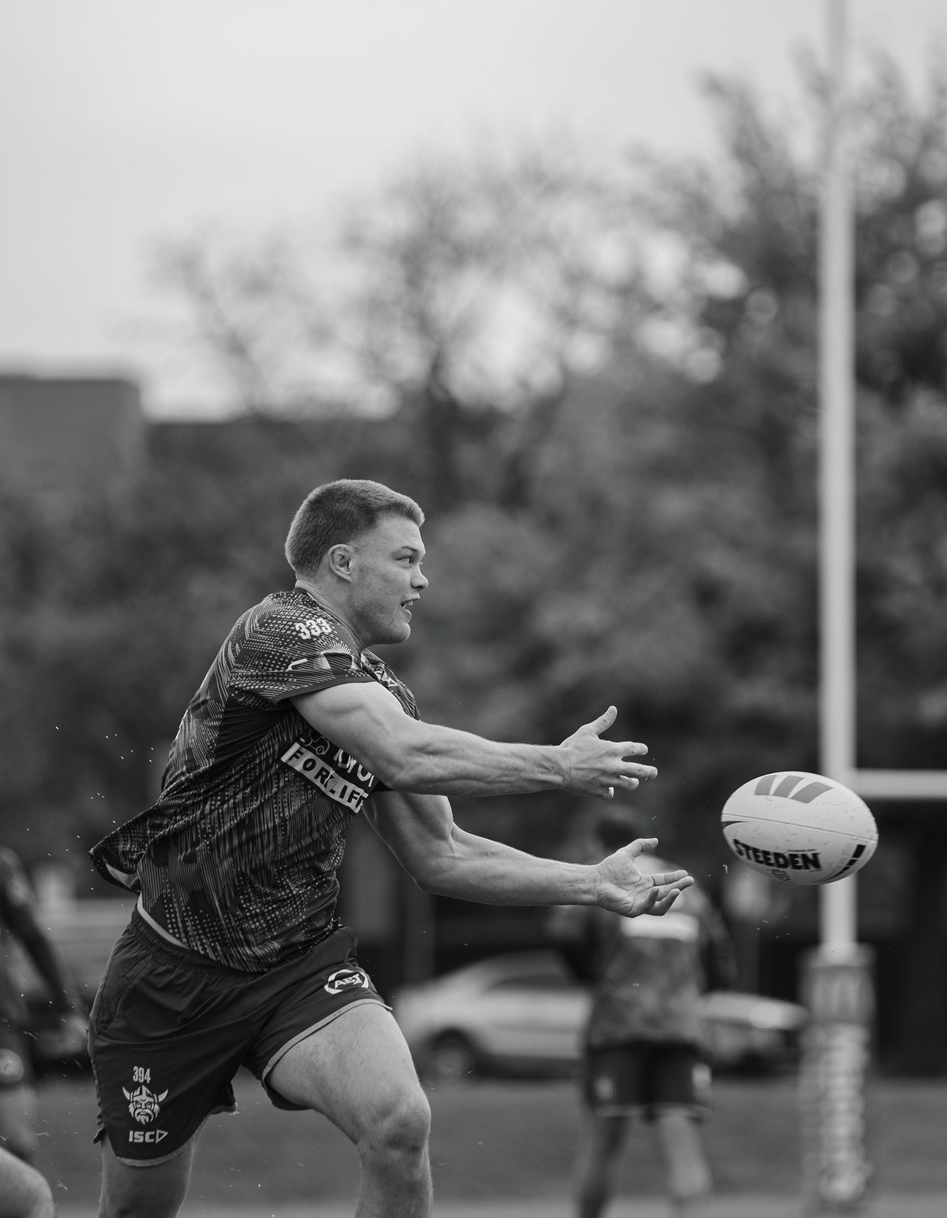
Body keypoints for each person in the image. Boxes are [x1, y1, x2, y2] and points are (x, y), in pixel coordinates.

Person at [87, 477, 694, 1218]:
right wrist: (556, 766)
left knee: (399, 1121)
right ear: (343, 562)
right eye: (405, 559)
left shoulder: (384, 694)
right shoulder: (279, 631)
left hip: (296, 973)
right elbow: (402, 755)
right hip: (171, 976)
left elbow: (442, 854)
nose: (422, 579)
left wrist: (592, 883)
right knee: (135, 1212)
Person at [549, 804, 737, 1218]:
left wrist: (593, 974)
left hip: (618, 1029)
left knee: (604, 1143)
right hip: (683, 1031)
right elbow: (722, 962)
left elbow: (565, 935)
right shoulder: (689, 888)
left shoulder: (601, 877)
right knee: (682, 1147)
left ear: (598, 841)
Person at [0, 846, 88, 1168]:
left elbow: (35, 939)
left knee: (18, 1143)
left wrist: (69, 1008)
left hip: (1, 1022)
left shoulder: (1, 865)